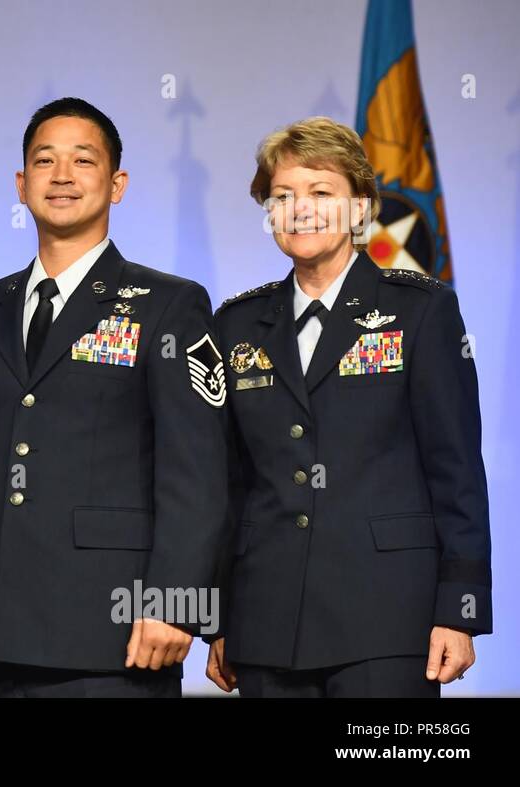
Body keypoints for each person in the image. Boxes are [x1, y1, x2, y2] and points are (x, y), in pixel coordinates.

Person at [0, 98, 228, 697]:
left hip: (116, 635)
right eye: (44, 161)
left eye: (83, 161)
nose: (61, 176)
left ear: (117, 184)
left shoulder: (169, 304)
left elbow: (197, 474)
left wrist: (177, 602)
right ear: (21, 183)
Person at [205, 116, 490, 697]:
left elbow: (456, 469)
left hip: (388, 620)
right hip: (266, 621)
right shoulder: (236, 324)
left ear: (361, 208)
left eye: (321, 192)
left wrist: (459, 610)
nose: (300, 209)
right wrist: (220, 614)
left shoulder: (421, 313)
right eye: (282, 196)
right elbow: (226, 484)